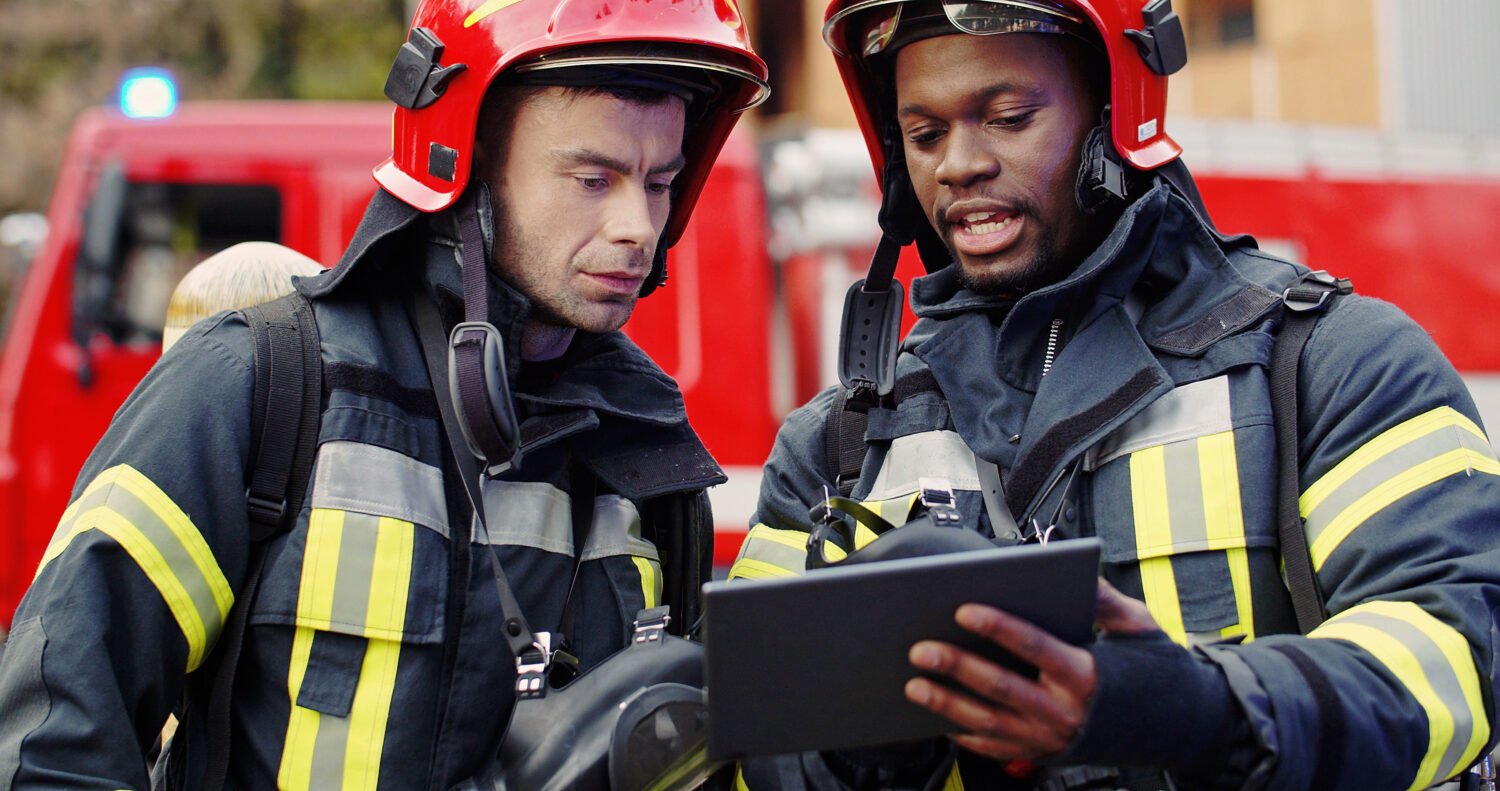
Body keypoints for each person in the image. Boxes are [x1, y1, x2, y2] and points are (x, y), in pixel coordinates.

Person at [729, 0, 1500, 788]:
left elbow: (1461, 653)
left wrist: (1199, 710)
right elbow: (741, 744)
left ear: (1113, 113)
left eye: (1008, 116)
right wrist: (856, 742)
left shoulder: (1330, 362)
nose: (958, 164)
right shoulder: (839, 444)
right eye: (925, 136)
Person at [0, 0, 767, 787]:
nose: (638, 225)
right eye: (592, 178)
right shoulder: (262, 386)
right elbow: (57, 737)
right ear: (461, 162)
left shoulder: (652, 461)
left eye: (661, 182)